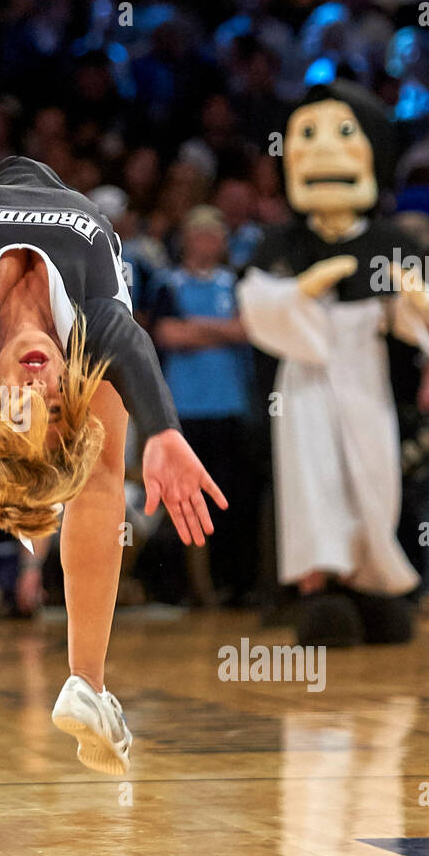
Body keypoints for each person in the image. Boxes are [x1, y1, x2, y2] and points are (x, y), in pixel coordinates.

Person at [0, 156, 226, 775]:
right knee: (98, 462)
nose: (36, 388)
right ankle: (90, 689)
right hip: (93, 324)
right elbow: (133, 346)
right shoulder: (92, 328)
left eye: (17, 406)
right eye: (50, 407)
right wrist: (164, 433)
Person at [237, 81, 429, 647]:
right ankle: (319, 588)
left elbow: (425, 320)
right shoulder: (280, 241)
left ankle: (370, 582)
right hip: (305, 373)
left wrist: (420, 303)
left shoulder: (391, 239)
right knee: (313, 481)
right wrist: (297, 294)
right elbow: (255, 304)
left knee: (374, 478)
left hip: (365, 368)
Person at [151, 206, 259, 605]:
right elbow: (166, 334)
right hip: (185, 410)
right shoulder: (169, 284)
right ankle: (189, 590)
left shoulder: (236, 283)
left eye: (216, 235)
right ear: (187, 240)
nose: (208, 242)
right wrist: (222, 331)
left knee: (231, 499)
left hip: (230, 406)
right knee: (183, 501)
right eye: (200, 235)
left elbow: (247, 329)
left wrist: (195, 328)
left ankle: (236, 586)